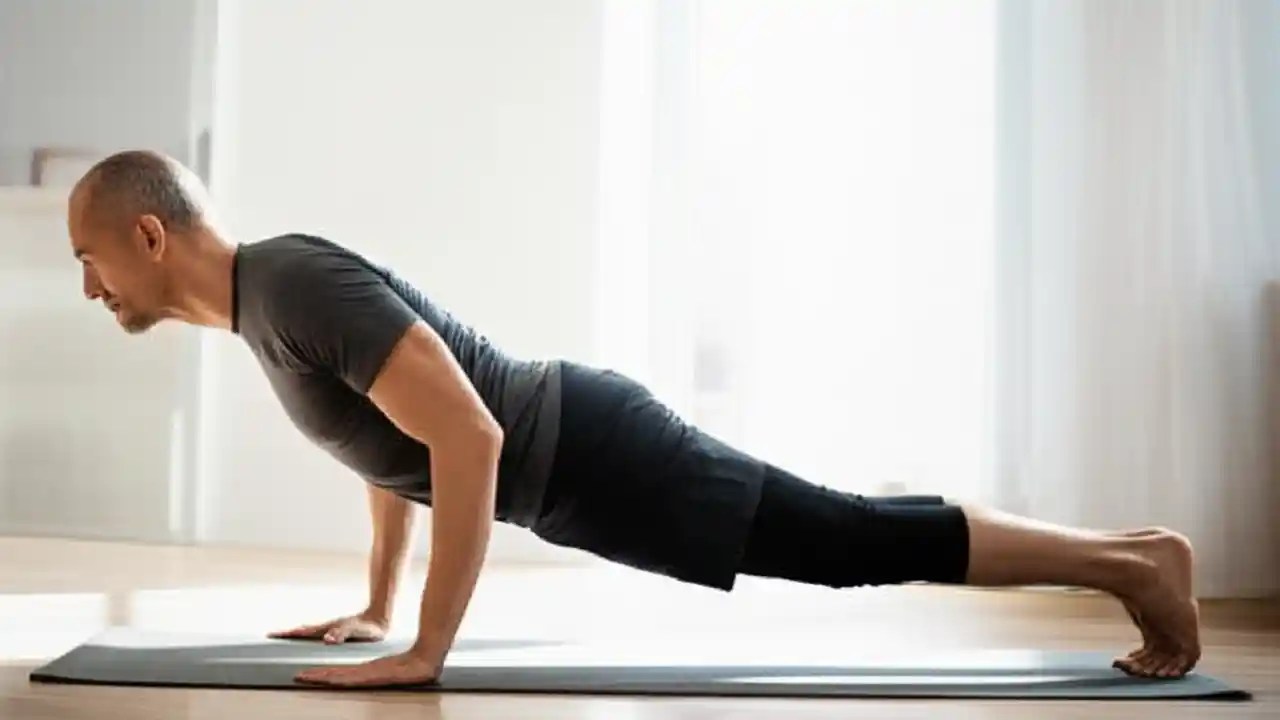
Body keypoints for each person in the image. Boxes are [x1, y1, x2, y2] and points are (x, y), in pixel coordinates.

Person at [64, 150, 1201, 688]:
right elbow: (396, 445)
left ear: (149, 237)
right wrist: (376, 605)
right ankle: (1128, 556)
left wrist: (427, 653)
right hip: (591, 468)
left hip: (602, 456)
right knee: (849, 531)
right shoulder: (269, 309)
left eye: (89, 258)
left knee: (851, 541)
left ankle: (1134, 564)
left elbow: (467, 438)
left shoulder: (291, 286)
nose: (89, 286)